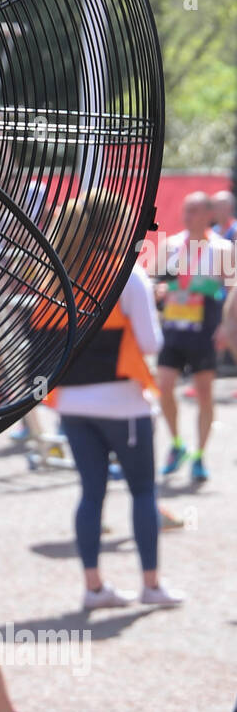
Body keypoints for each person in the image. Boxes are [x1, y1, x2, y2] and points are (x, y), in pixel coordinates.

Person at [56, 193, 183, 609]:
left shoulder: (54, 275)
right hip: (123, 401)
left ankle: (93, 589)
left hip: (71, 403)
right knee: (143, 490)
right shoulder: (128, 277)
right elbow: (151, 342)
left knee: (90, 494)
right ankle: (151, 584)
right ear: (112, 230)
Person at [156, 191, 230, 483]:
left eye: (195, 211)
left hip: (204, 331)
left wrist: (226, 324)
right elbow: (157, 282)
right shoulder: (171, 244)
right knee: (164, 387)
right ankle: (177, 445)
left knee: (204, 394)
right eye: (186, 210)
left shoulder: (222, 248)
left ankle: (200, 455)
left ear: (208, 214)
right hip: (173, 328)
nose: (188, 216)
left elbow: (230, 288)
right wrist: (160, 291)